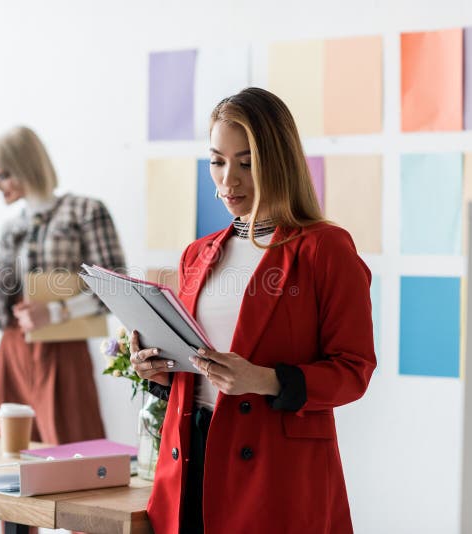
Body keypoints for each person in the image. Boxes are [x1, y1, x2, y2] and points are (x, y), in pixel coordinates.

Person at [130, 88, 376, 534]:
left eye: (247, 162)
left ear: (278, 162)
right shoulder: (197, 253)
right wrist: (161, 371)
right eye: (217, 161)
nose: (229, 180)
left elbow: (354, 370)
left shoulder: (324, 248)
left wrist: (265, 379)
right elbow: (201, 365)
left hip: (275, 474)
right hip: (190, 457)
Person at [0, 126, 125, 446]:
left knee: (74, 450)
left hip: (62, 349)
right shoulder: (11, 227)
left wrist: (55, 312)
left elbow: (117, 288)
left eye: (1, 176)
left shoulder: (84, 211)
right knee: (14, 454)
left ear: (22, 167)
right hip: (12, 351)